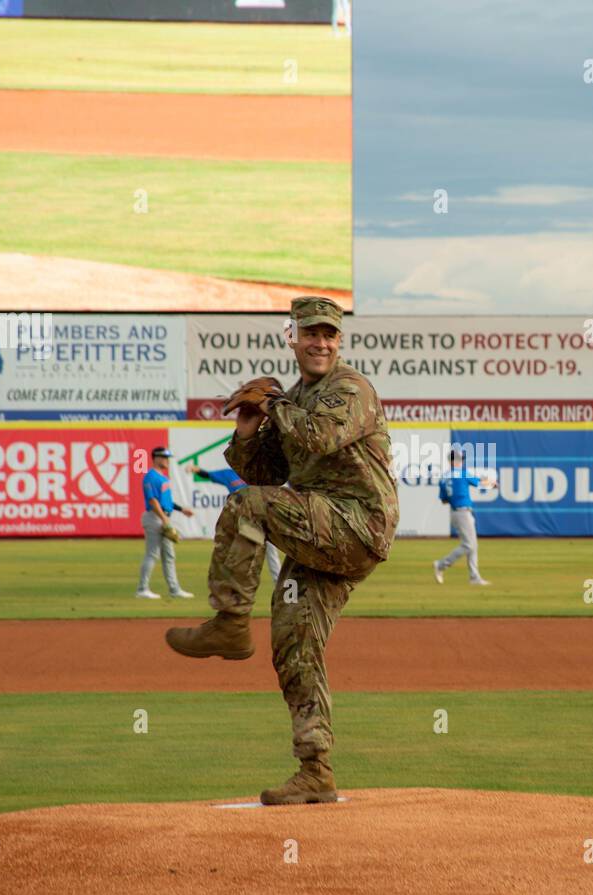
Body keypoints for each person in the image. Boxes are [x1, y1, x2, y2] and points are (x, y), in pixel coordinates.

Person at [164, 296, 399, 806]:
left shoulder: (348, 388)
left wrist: (274, 407)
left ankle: (228, 621)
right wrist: (247, 433)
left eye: (330, 334)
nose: (321, 342)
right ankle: (316, 768)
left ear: (339, 342)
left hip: (356, 522)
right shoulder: (292, 396)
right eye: (311, 332)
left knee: (245, 507)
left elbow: (321, 436)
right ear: (291, 336)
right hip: (321, 532)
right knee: (294, 638)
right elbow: (267, 474)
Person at [188, 461, 283, 583]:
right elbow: (208, 475)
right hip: (245, 520)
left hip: (263, 517)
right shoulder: (229, 474)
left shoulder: (258, 472)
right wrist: (196, 469)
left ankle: (278, 583)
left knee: (271, 553)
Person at [432, 447, 496, 586]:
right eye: (460, 459)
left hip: (455, 512)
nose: (462, 462)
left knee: (473, 545)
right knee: (468, 545)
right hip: (462, 512)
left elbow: (443, 500)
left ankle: (474, 577)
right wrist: (493, 484)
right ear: (453, 460)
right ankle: (441, 564)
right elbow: (480, 483)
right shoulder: (461, 473)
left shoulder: (444, 477)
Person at [137, 446, 195, 600]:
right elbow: (153, 501)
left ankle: (174, 589)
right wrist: (164, 520)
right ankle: (142, 589)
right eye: (164, 457)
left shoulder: (163, 477)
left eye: (167, 458)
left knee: (169, 556)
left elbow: (167, 501)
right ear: (156, 458)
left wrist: (182, 510)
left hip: (164, 517)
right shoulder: (150, 477)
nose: (167, 460)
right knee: (152, 554)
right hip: (155, 517)